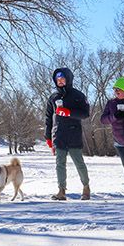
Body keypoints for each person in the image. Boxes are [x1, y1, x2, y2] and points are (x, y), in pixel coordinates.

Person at [45, 67, 91, 200]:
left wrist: (69, 112)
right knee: (60, 164)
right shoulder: (53, 98)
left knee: (79, 163)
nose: (59, 81)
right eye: (57, 79)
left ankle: (86, 187)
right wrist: (48, 137)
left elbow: (85, 113)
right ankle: (61, 191)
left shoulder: (78, 95)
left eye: (62, 78)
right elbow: (48, 118)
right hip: (58, 135)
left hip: (73, 134)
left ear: (68, 79)